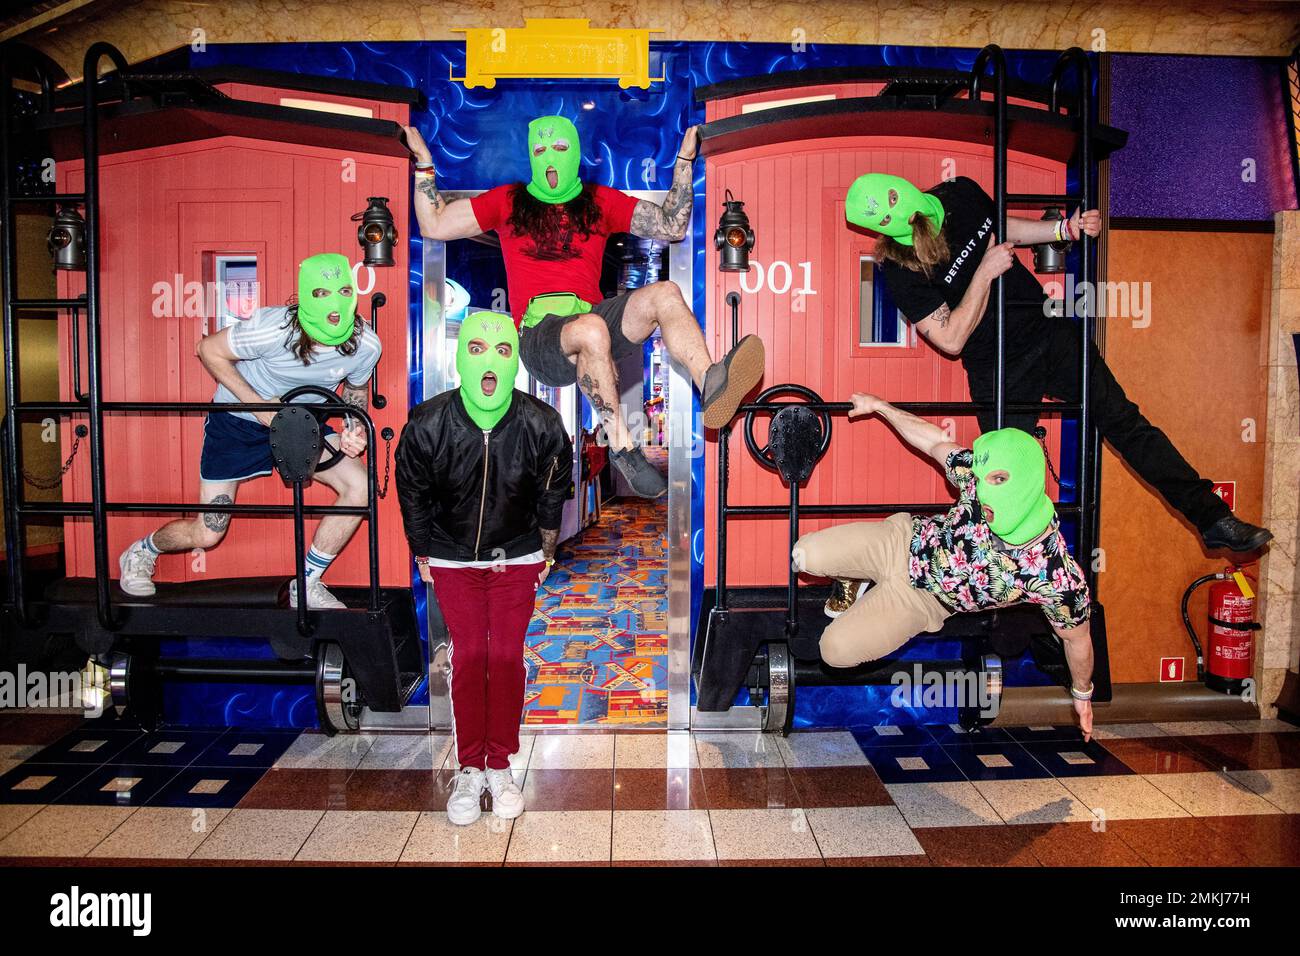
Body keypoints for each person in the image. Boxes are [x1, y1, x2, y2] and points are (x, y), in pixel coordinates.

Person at [844, 172, 1271, 554]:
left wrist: (1061, 228)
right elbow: (951, 339)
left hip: (1047, 332)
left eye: (894, 201)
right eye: (883, 220)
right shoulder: (899, 269)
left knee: (1126, 422)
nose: (895, 215)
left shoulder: (959, 193)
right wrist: (984, 274)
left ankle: (1213, 518)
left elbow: (998, 227)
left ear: (897, 185)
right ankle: (1002, 585)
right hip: (999, 368)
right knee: (1003, 480)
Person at [401, 115, 765, 498]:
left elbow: (671, 226)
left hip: (592, 321)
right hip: (540, 337)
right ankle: (624, 447)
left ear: (574, 153)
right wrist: (424, 162)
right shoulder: (509, 201)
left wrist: (685, 163)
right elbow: (435, 225)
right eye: (540, 151)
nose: (550, 160)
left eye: (559, 149)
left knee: (666, 293)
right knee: (590, 327)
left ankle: (710, 381)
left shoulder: (598, 201)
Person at [793, 393, 1096, 739]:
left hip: (924, 600)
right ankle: (854, 576)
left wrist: (1082, 694)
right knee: (805, 555)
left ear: (1025, 482)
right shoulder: (977, 475)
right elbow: (935, 441)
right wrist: (882, 407)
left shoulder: (1055, 575)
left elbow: (1078, 641)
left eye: (997, 480)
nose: (982, 492)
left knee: (834, 652)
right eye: (981, 480)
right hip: (902, 541)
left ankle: (865, 590)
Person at [116, 253, 380, 609]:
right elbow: (207, 349)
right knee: (208, 532)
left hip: (302, 425)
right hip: (238, 421)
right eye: (321, 294)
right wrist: (261, 409)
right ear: (305, 297)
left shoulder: (365, 344)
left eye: (344, 291)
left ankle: (307, 582)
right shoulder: (272, 328)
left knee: (360, 487)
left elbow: (356, 391)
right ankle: (142, 551)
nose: (334, 304)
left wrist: (354, 427)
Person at [395, 310, 572, 825]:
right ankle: (470, 768)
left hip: (517, 556)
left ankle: (501, 763)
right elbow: (413, 492)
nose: (489, 362)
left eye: (499, 350)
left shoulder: (541, 421)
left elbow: (552, 489)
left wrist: (546, 549)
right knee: (472, 657)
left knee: (507, 658)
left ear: (514, 358)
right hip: (452, 558)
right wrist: (423, 550)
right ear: (460, 357)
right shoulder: (428, 422)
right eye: (476, 349)